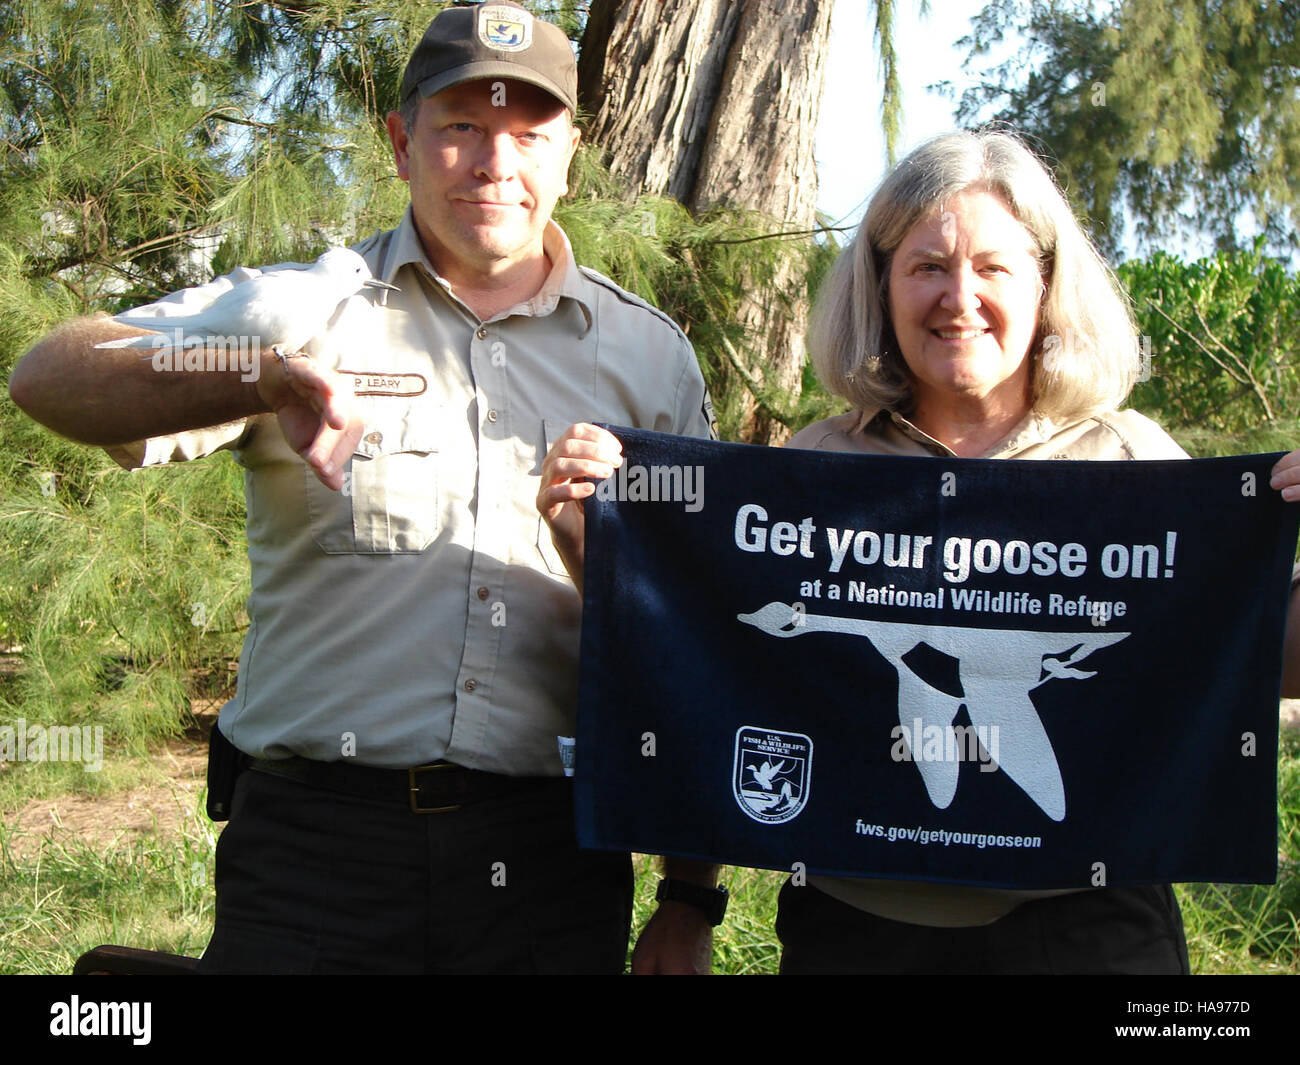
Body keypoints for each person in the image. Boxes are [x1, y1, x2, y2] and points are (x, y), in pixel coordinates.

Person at [9, 1, 716, 974]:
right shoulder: (299, 312)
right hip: (315, 852)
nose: (493, 163)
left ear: (570, 154)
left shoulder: (651, 360)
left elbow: (698, 651)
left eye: (527, 133)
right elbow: (51, 374)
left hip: (548, 860)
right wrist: (250, 376)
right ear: (401, 141)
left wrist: (689, 898)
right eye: (461, 126)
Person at [773, 128, 1300, 973]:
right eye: (927, 266)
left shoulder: (1132, 460)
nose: (959, 296)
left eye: (993, 267)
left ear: (1046, 285)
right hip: (859, 925)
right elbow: (731, 674)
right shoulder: (812, 469)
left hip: (1088, 925)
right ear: (880, 285)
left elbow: (1265, 655)